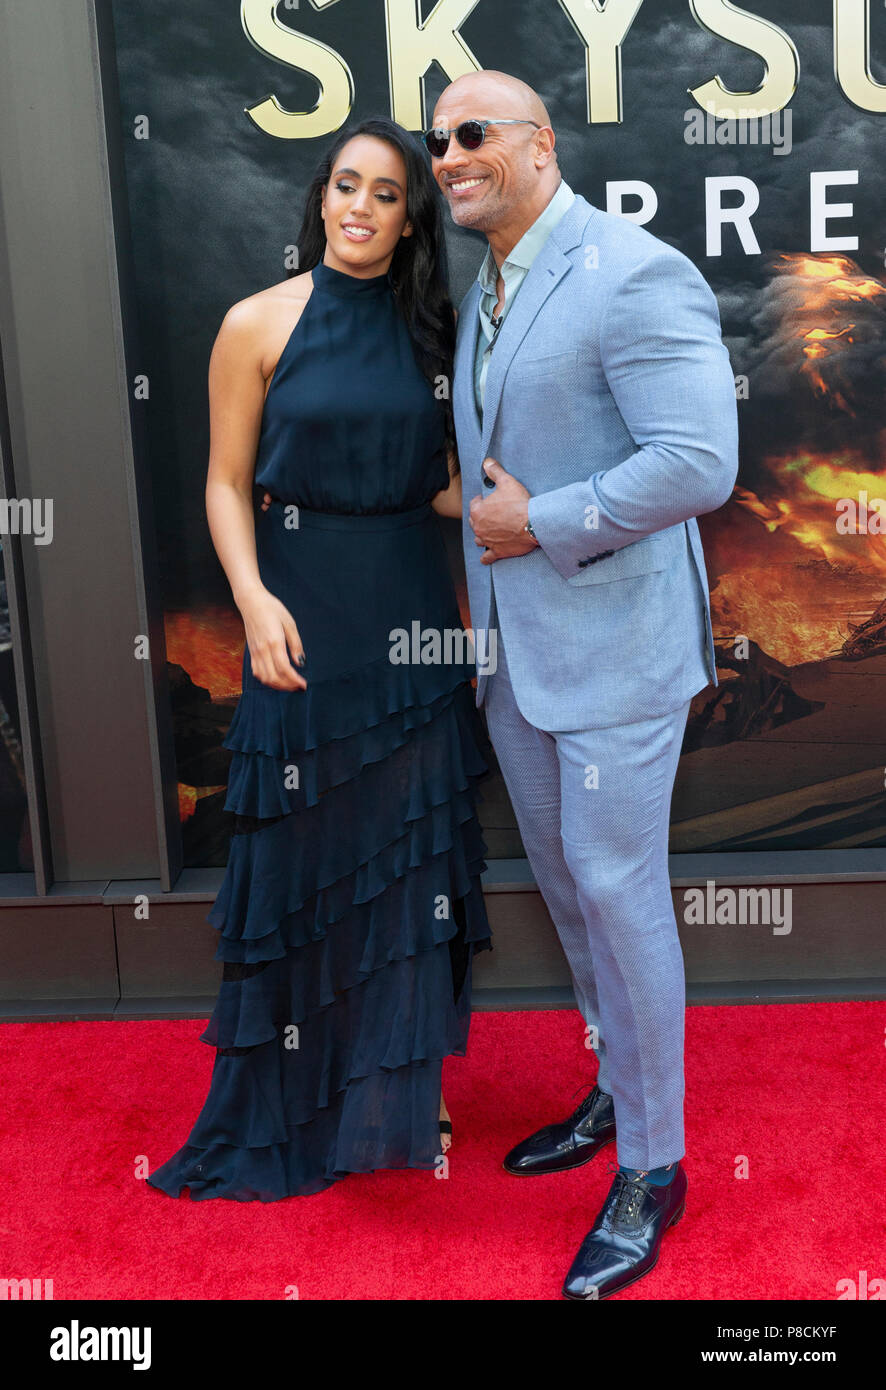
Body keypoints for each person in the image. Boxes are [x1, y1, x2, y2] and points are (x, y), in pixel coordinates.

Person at [425, 70, 739, 1298]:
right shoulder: (487, 285)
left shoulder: (634, 269)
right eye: (437, 140)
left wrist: (536, 523)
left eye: (474, 134)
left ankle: (655, 1168)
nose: (450, 155)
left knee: (617, 891)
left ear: (540, 146)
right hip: (516, 654)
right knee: (568, 888)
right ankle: (616, 1087)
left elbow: (700, 460)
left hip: (613, 654)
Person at [147, 116, 492, 1202]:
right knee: (306, 859)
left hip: (407, 611)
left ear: (410, 218)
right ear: (321, 195)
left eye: (387, 194)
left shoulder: (435, 325)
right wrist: (250, 599)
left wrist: (517, 504)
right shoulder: (254, 322)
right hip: (296, 613)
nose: (360, 207)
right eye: (347, 185)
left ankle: (401, 1083)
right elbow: (222, 478)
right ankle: (305, 1089)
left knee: (406, 858)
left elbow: (436, 478)